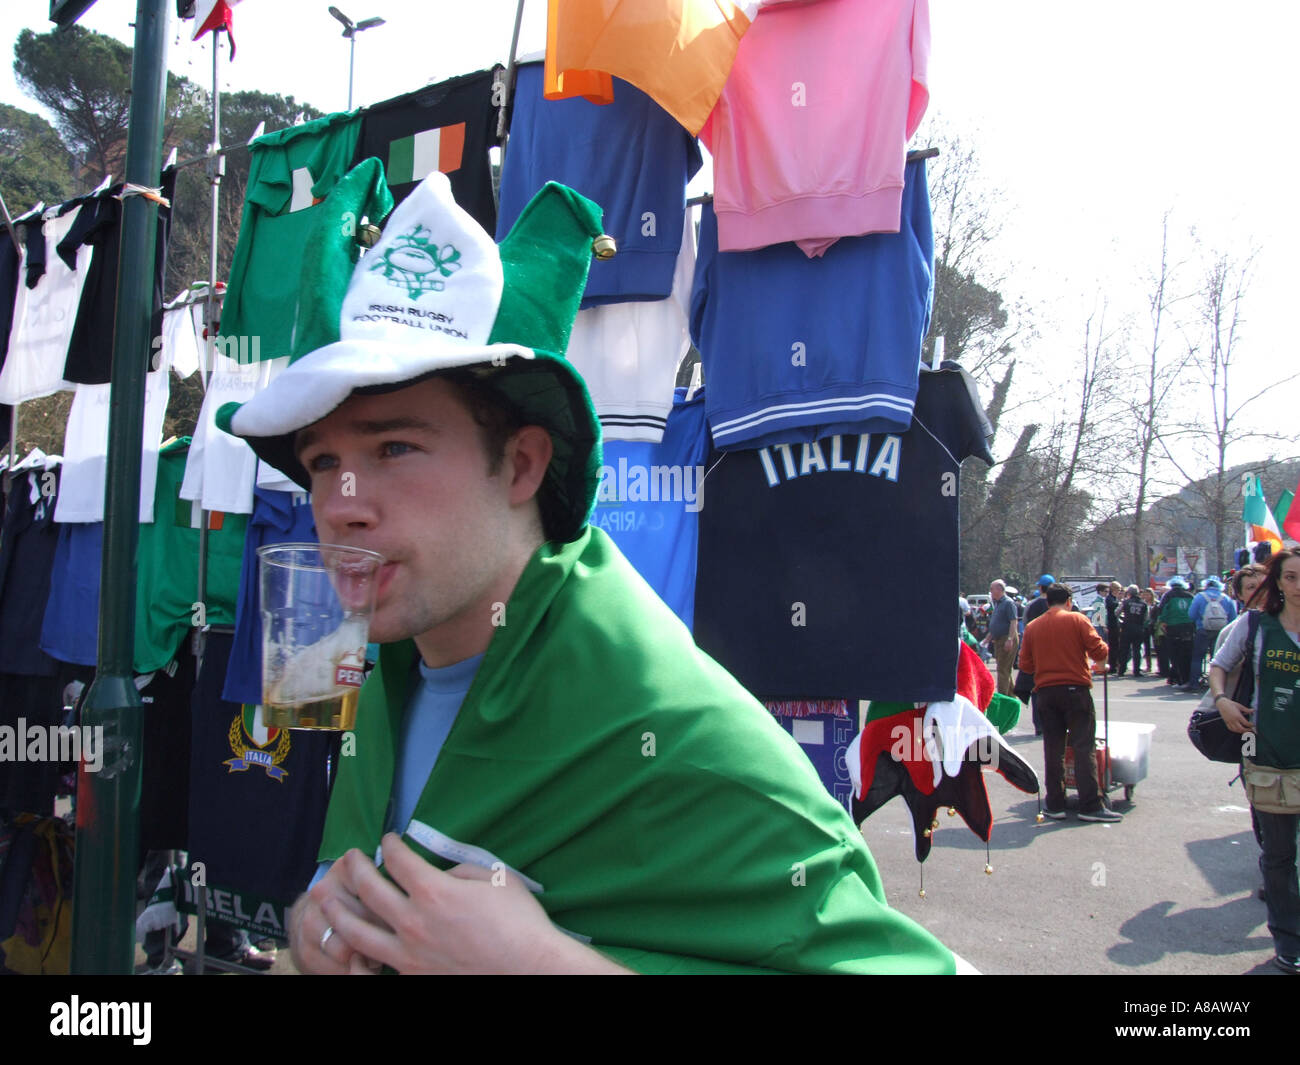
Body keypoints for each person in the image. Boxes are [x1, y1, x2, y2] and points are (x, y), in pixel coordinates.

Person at [216, 169, 954, 974]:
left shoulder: (672, 729)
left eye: (394, 448)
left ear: (524, 465)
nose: (341, 504)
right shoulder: (391, 651)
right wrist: (313, 922)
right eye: (322, 462)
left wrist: (539, 964)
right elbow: (356, 877)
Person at [1208, 546, 1300, 975]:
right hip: (1268, 756)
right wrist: (1224, 701)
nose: (1298, 587)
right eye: (1291, 578)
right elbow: (1219, 666)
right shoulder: (1255, 625)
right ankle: (1288, 940)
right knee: (1278, 855)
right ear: (1277, 583)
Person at [1018, 583, 1120, 822]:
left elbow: (1025, 665)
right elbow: (1099, 650)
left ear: (1047, 601)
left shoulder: (1033, 626)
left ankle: (1055, 803)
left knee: (1053, 749)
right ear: (1069, 601)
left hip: (1046, 693)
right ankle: (1090, 804)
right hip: (1075, 690)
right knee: (1083, 747)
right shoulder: (1078, 620)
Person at [1188, 576, 1236, 691]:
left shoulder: (1199, 597)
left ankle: (1194, 683)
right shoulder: (1225, 598)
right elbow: (1233, 617)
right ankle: (1217, 684)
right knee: (1217, 658)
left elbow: (1191, 615)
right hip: (1220, 631)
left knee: (1198, 657)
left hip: (1203, 630)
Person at [985, 578, 1019, 695]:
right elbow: (997, 623)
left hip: (1006, 638)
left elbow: (1013, 622)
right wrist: (987, 638)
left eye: (992, 589)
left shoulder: (1008, 603)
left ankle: (1003, 697)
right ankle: (1011, 696)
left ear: (999, 589)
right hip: (999, 639)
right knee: (1004, 669)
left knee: (1002, 670)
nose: (990, 591)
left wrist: (1010, 639)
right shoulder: (998, 604)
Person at [1159, 577, 1196, 686]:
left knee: (1175, 654)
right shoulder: (1190, 596)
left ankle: (1177, 677)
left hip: (1173, 628)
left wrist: (1163, 622)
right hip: (1188, 627)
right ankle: (1186, 678)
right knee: (1187, 653)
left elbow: (1162, 610)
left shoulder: (1168, 595)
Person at [1116, 584, 1149, 676]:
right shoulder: (1143, 604)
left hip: (1126, 627)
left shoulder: (1125, 602)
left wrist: (1121, 621)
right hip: (1138, 628)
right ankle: (1137, 670)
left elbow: (1116, 612)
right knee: (1137, 650)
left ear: (1129, 593)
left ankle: (1121, 670)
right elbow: (1147, 618)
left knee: (1124, 649)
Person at [1105, 581, 1123, 673]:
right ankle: (1112, 666)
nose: (1119, 592)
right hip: (1112, 624)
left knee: (1116, 645)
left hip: (1116, 623)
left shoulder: (1114, 598)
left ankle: (1115, 664)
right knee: (1113, 646)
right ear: (1114, 589)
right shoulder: (1110, 598)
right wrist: (1120, 604)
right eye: (1118, 589)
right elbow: (1111, 606)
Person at [1139, 588, 1157, 673]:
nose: (1146, 596)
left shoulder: (1156, 604)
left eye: (1148, 594)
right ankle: (1148, 666)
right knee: (1146, 646)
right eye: (1144, 594)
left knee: (1156, 645)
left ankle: (1159, 666)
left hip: (1154, 626)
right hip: (1145, 626)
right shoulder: (1142, 603)